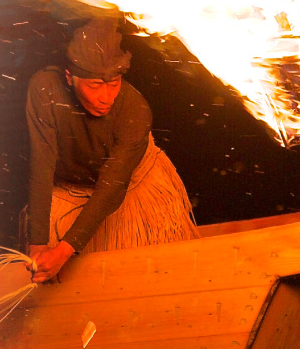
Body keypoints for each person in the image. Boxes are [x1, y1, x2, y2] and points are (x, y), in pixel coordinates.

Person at [25, 16, 196, 283]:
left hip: (128, 189)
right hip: (70, 187)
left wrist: (63, 251)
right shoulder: (45, 89)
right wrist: (37, 243)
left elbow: (112, 187)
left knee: (148, 280)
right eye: (94, 86)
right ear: (70, 78)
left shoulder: (135, 110)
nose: (106, 97)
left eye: (113, 84)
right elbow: (42, 164)